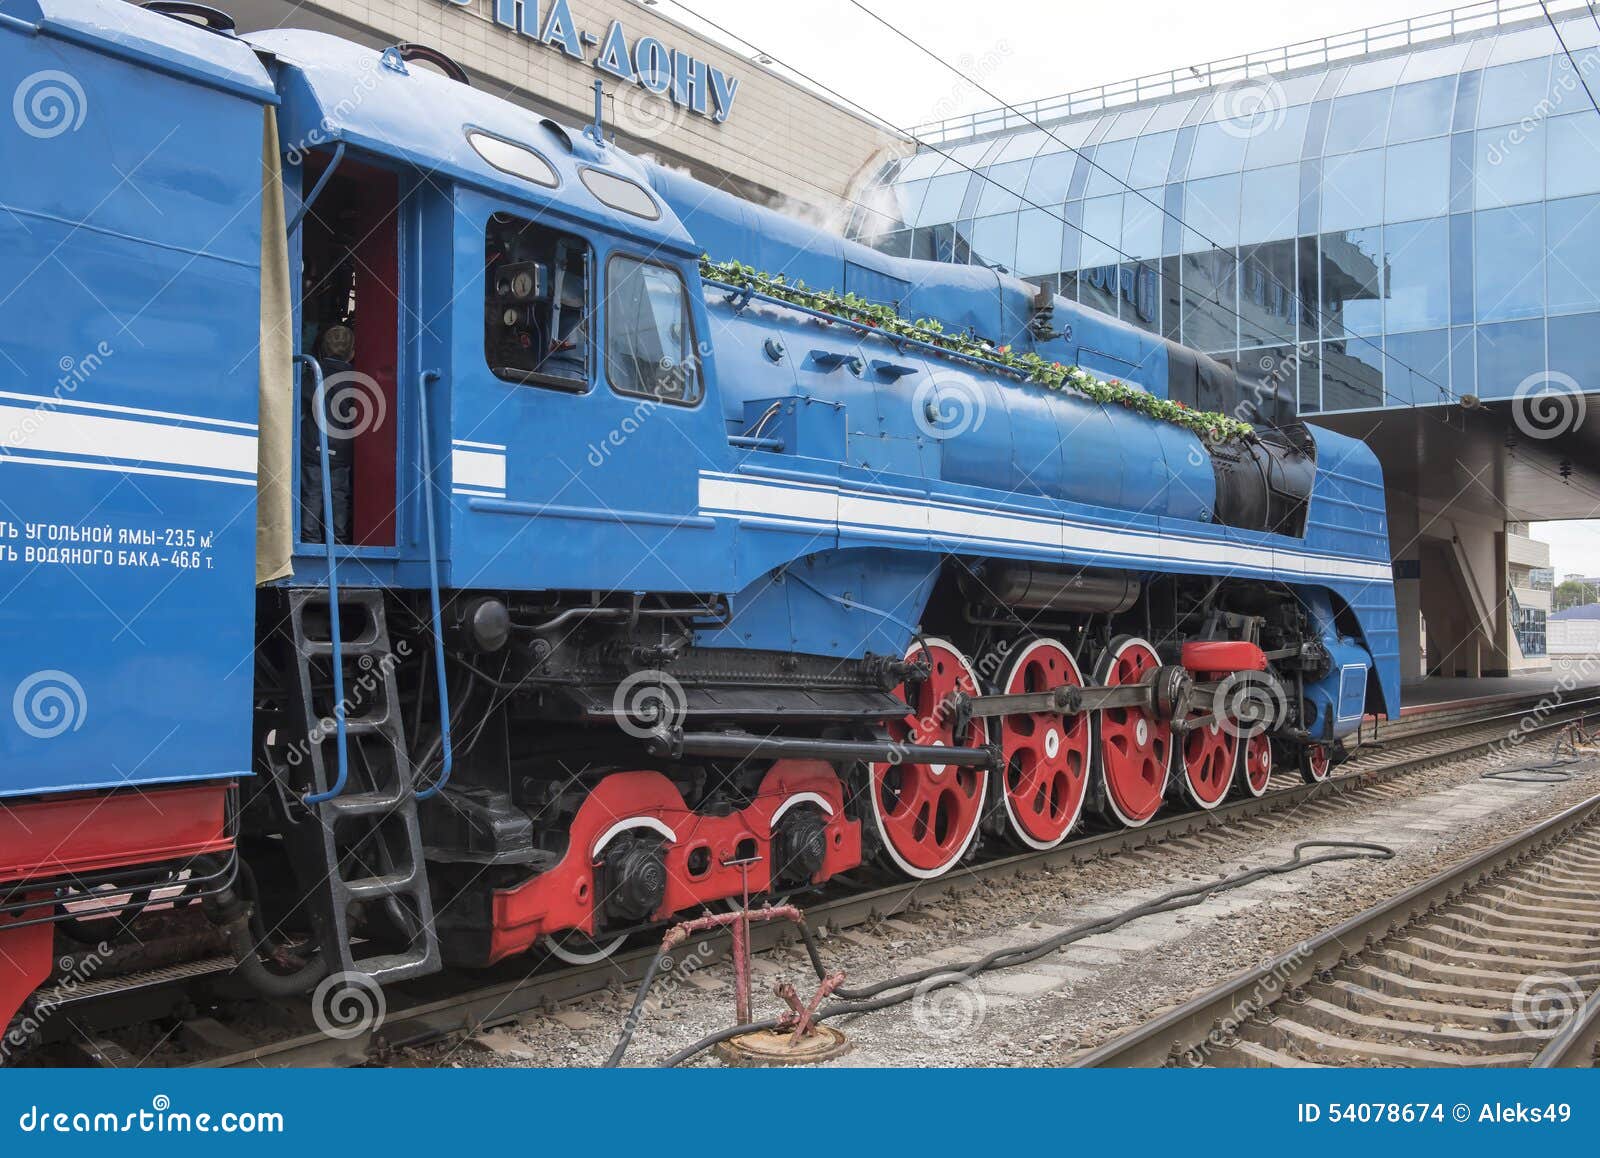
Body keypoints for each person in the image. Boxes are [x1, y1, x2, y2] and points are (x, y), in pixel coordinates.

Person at [299, 324, 357, 544]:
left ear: (322, 350)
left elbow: (302, 405)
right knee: (339, 495)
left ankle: (310, 537)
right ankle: (339, 538)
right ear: (352, 353)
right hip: (342, 448)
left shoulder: (312, 374)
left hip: (313, 445)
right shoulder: (356, 379)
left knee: (312, 492)